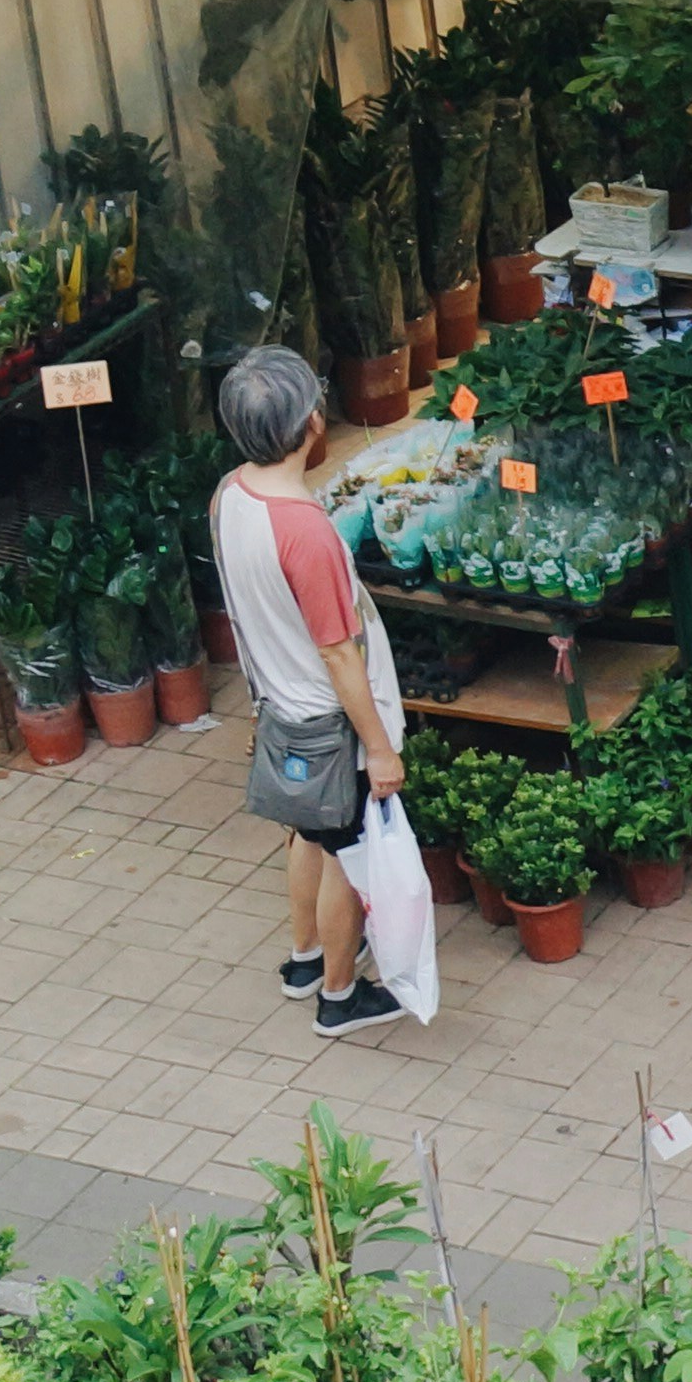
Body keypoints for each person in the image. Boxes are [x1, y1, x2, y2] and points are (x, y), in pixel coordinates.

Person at [209, 344, 413, 1036]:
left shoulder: (230, 495)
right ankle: (338, 994)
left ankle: (304, 958)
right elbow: (339, 653)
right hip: (330, 724)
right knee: (347, 856)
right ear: (312, 424)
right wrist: (380, 751)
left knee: (309, 836)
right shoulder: (307, 533)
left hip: (280, 710)